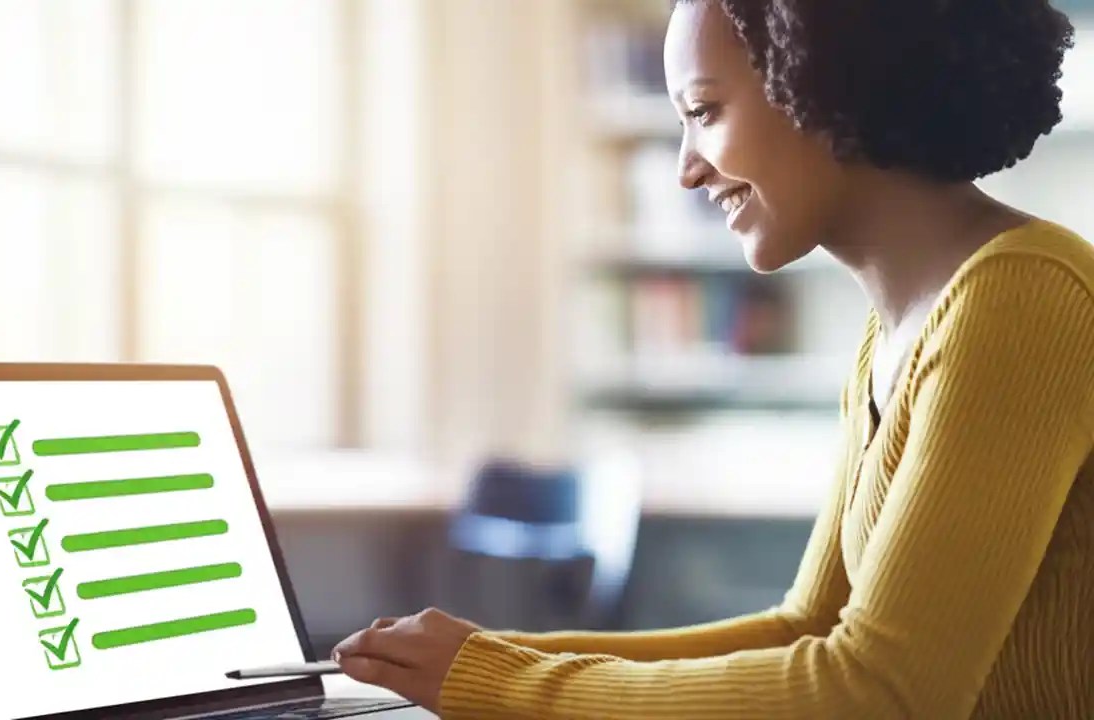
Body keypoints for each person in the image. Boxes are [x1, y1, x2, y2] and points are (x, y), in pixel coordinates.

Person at [332, 0, 1094, 717]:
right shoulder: (895, 333)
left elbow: (879, 695)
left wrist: (504, 682)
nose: (686, 168)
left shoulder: (1021, 295)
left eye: (704, 112)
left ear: (823, 84)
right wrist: (481, 658)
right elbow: (806, 629)